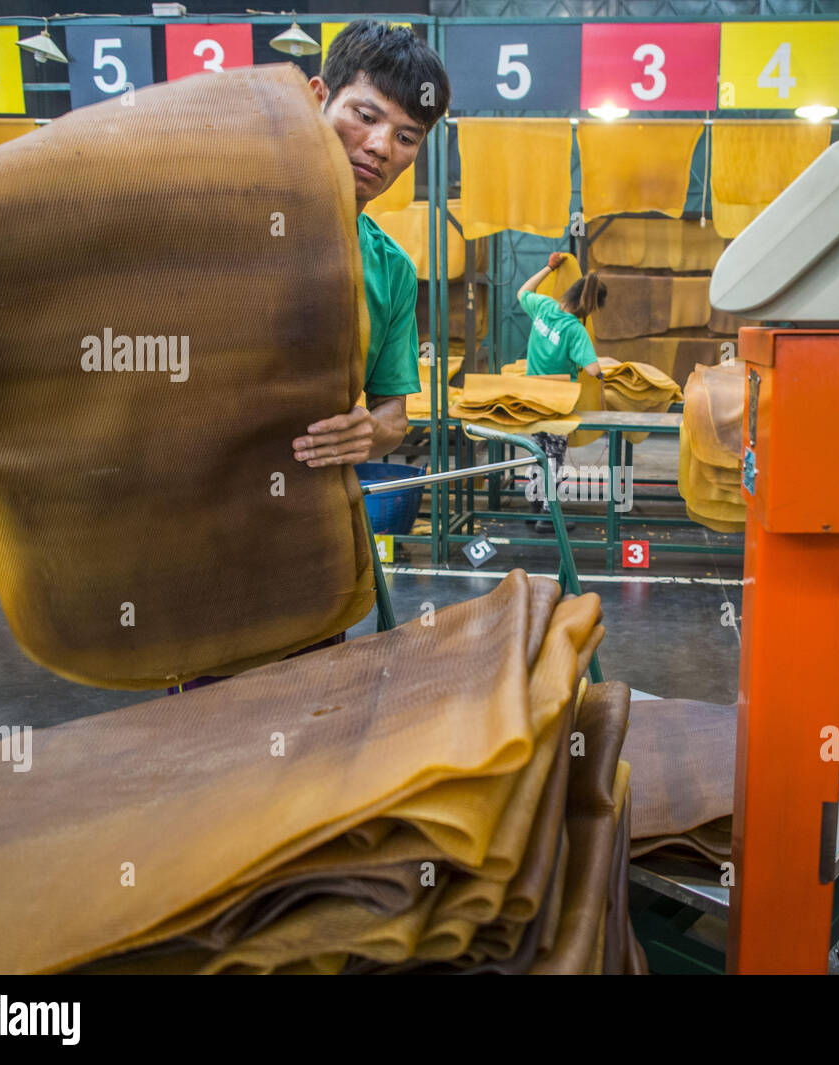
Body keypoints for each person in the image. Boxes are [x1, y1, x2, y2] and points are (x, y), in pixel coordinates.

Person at [171, 21, 450, 691]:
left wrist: (369, 431)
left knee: (311, 730)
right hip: (205, 536)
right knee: (199, 736)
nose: (381, 146)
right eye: (365, 116)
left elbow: (394, 412)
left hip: (316, 543)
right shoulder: (224, 221)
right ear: (318, 97)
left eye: (407, 136)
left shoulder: (391, 270)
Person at [516, 256, 607, 533]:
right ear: (589, 306)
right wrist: (601, 372)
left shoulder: (543, 306)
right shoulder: (574, 330)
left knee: (537, 451)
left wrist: (548, 268)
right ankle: (548, 514)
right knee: (554, 455)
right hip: (558, 401)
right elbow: (592, 369)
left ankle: (535, 504)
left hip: (534, 397)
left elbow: (522, 292)